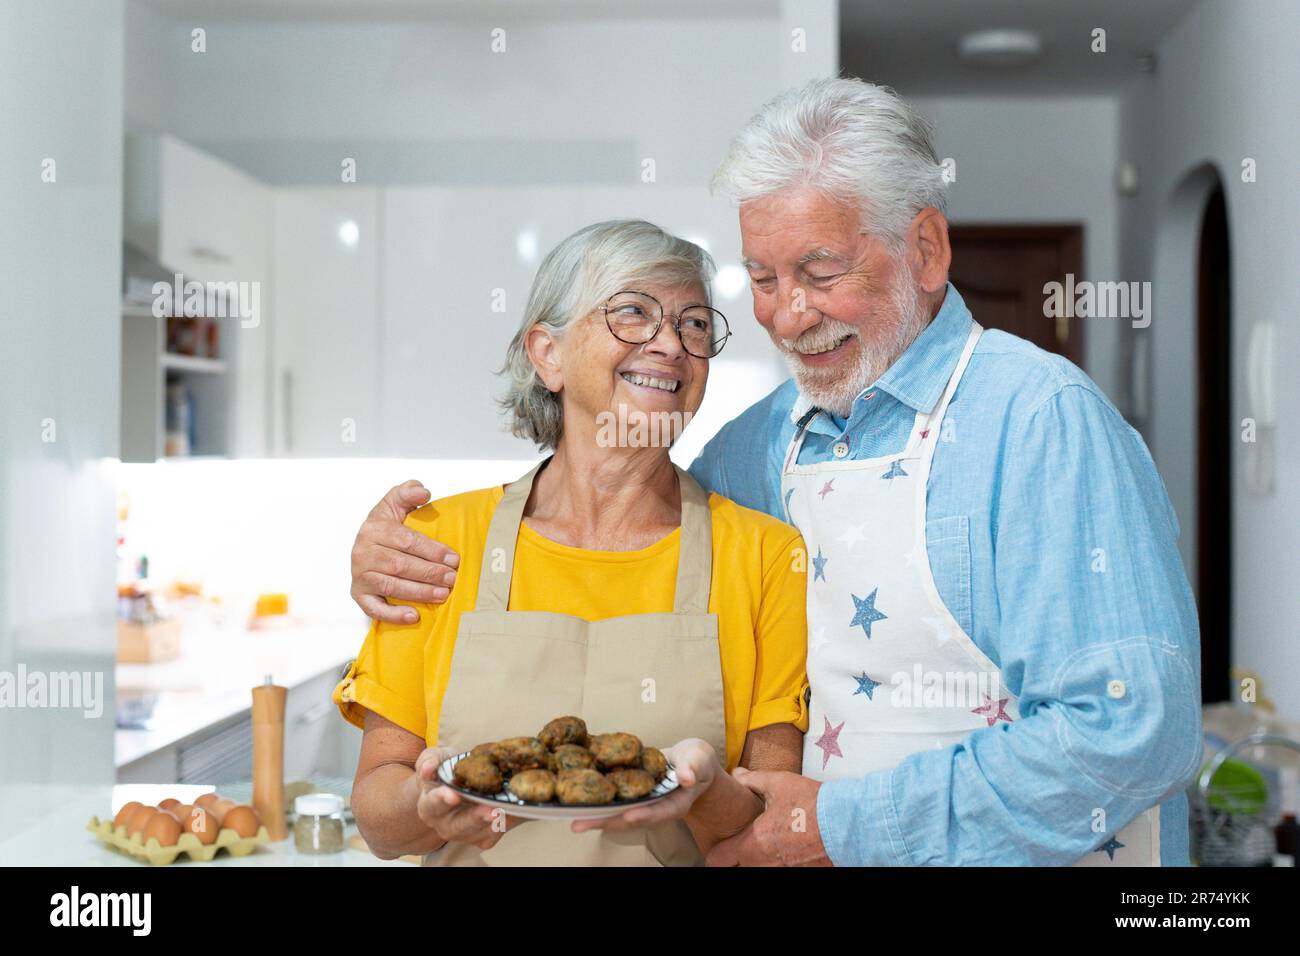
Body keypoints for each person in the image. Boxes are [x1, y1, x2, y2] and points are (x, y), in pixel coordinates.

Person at [349, 78, 1203, 866]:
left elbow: (1132, 729)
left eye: (820, 272)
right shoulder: (755, 452)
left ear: (928, 250)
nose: (788, 316)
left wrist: (838, 826)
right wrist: (384, 554)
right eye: (761, 279)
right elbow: (616, 496)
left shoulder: (1039, 422)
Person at [333, 219, 810, 866]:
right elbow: (381, 823)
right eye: (633, 313)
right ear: (546, 355)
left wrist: (703, 789)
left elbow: (770, 824)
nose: (671, 344)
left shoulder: (764, 556)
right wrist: (427, 810)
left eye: (694, 324)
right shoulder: (438, 543)